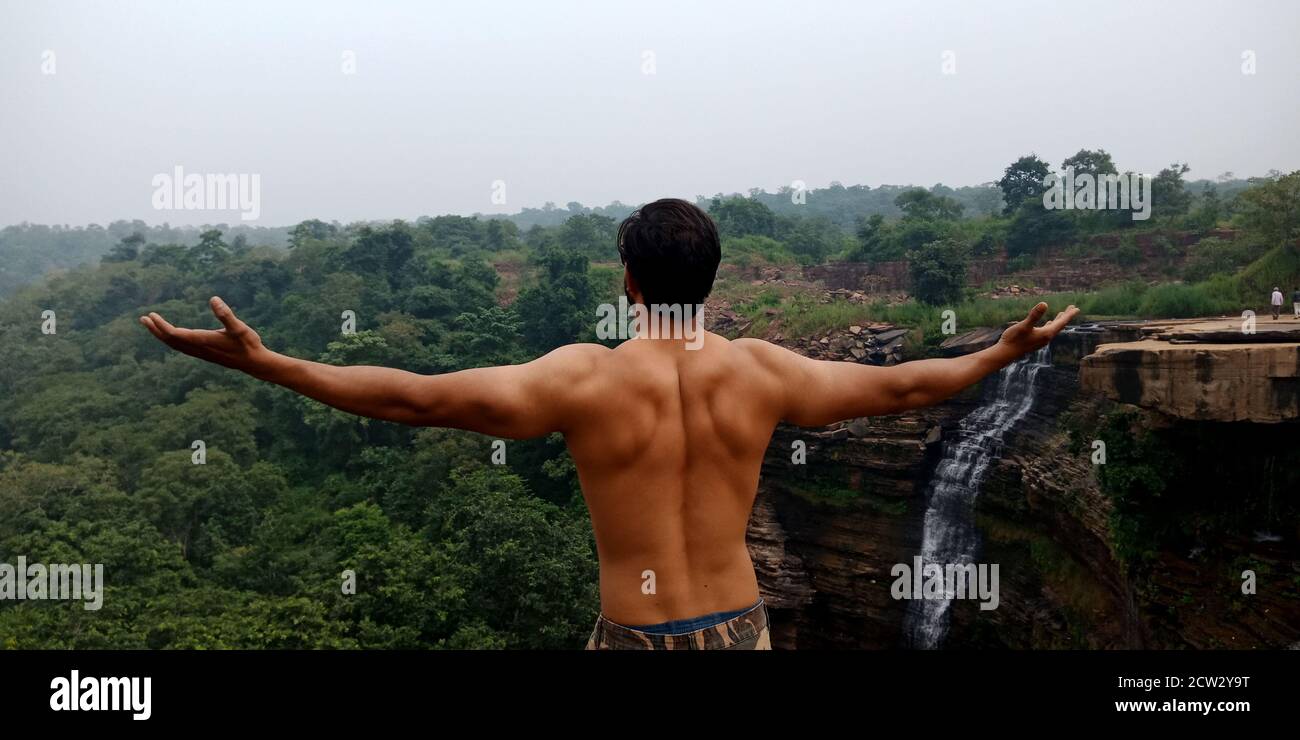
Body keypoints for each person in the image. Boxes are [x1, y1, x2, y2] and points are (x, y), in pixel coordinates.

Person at [139, 198, 1078, 650]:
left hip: (635, 635)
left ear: (627, 283)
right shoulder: (763, 372)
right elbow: (906, 388)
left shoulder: (581, 380)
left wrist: (271, 365)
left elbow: (410, 396)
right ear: (711, 281)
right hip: (743, 628)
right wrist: (997, 354)